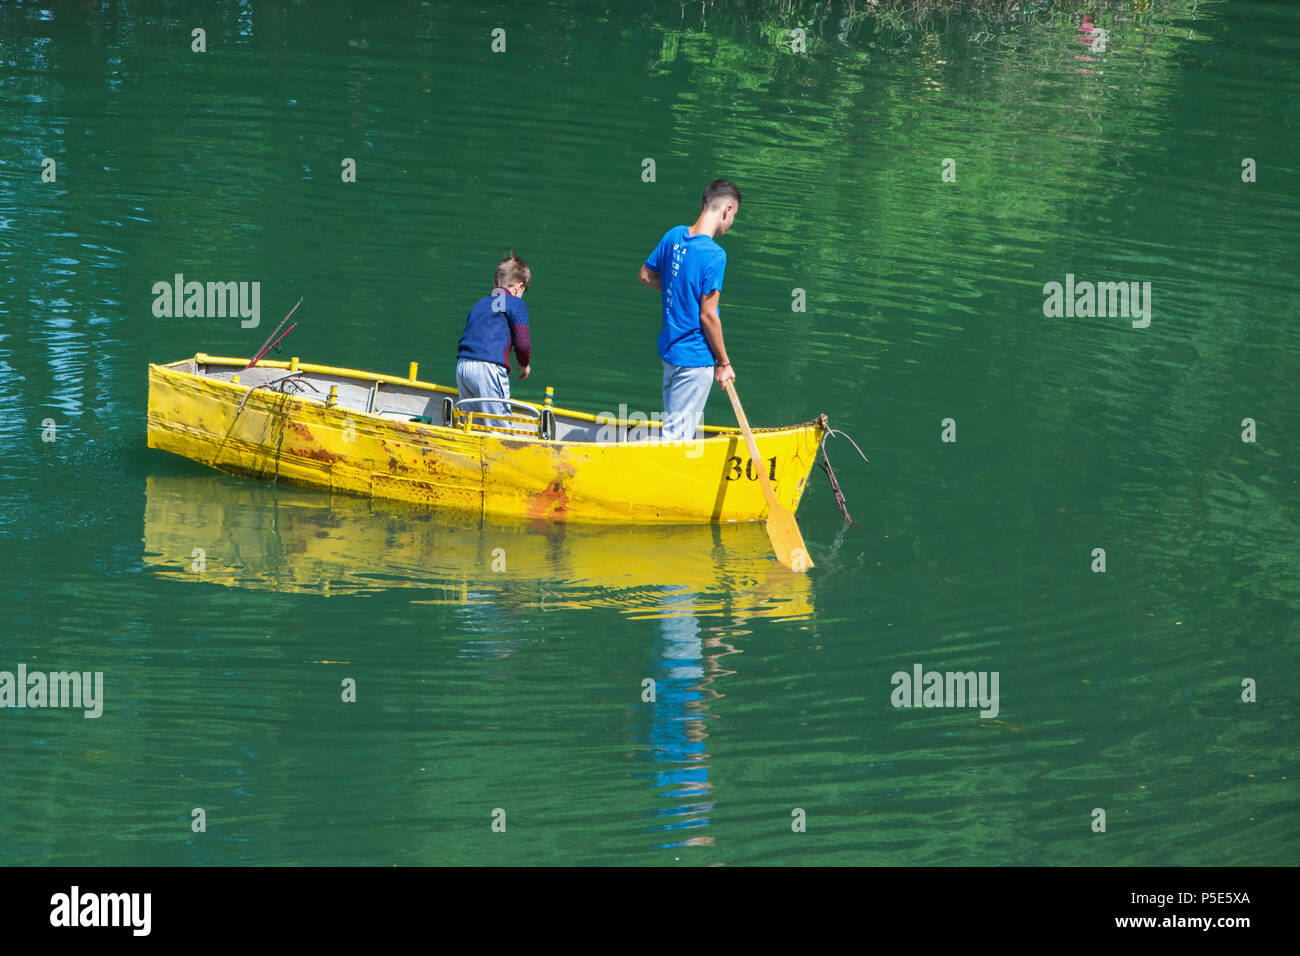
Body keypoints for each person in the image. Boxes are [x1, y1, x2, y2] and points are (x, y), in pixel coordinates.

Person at [639, 179, 740, 442]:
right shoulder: (715, 255)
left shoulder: (674, 236)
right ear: (726, 209)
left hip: (670, 354)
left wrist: (679, 290)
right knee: (676, 439)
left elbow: (646, 276)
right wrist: (724, 363)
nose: (731, 224)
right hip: (695, 360)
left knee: (672, 430)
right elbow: (708, 315)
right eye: (734, 216)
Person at [455, 252, 532, 430]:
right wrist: (524, 362)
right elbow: (522, 343)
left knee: (470, 426)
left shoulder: (480, 303)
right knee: (500, 428)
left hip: (463, 366)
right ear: (519, 287)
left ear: (495, 284)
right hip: (489, 369)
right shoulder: (516, 303)